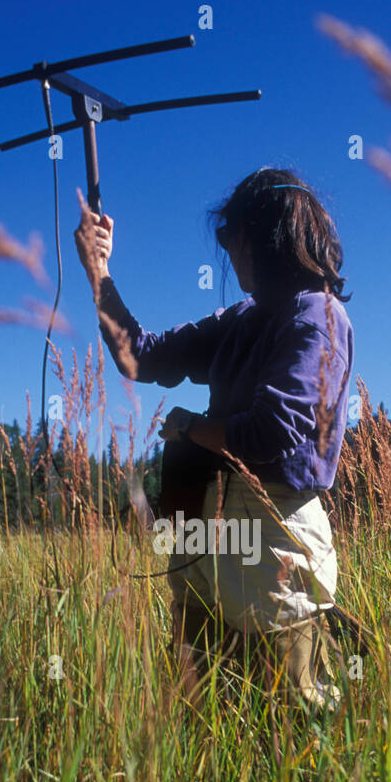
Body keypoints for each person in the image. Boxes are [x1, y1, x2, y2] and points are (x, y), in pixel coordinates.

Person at [73, 166, 356, 711]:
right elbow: (144, 356)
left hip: (272, 523)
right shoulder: (244, 319)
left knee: (289, 706)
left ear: (268, 237)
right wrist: (98, 274)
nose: (228, 251)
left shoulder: (317, 316)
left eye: (233, 236)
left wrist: (187, 428)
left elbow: (270, 430)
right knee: (204, 692)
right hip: (206, 515)